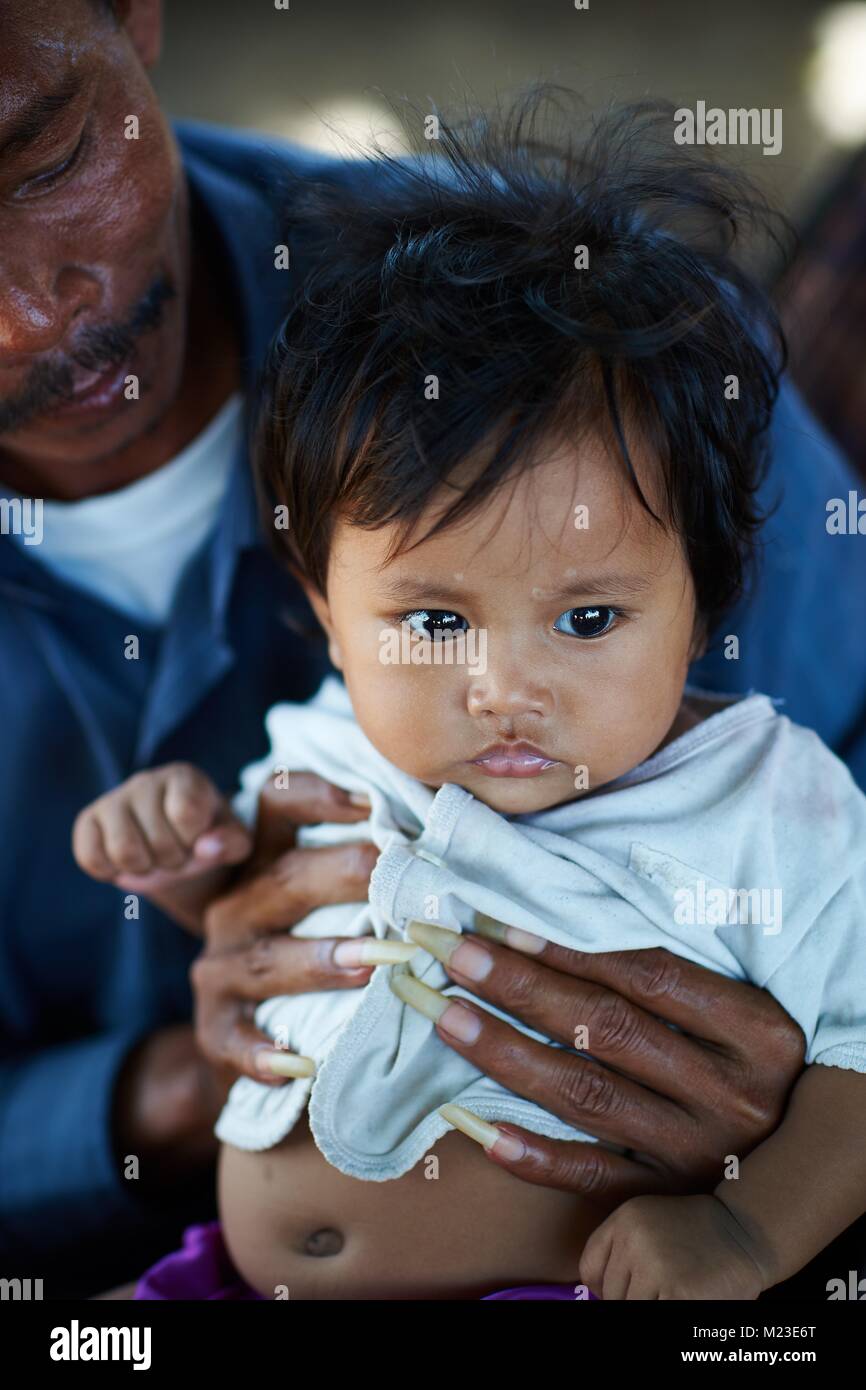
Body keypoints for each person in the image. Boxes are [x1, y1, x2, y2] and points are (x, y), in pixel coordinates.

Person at [0, 0, 861, 1297]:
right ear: (317, 602)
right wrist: (178, 903)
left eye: (50, 158)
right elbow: (241, 884)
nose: (24, 313)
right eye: (432, 617)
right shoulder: (340, 729)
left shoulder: (634, 373)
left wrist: (761, 1202)